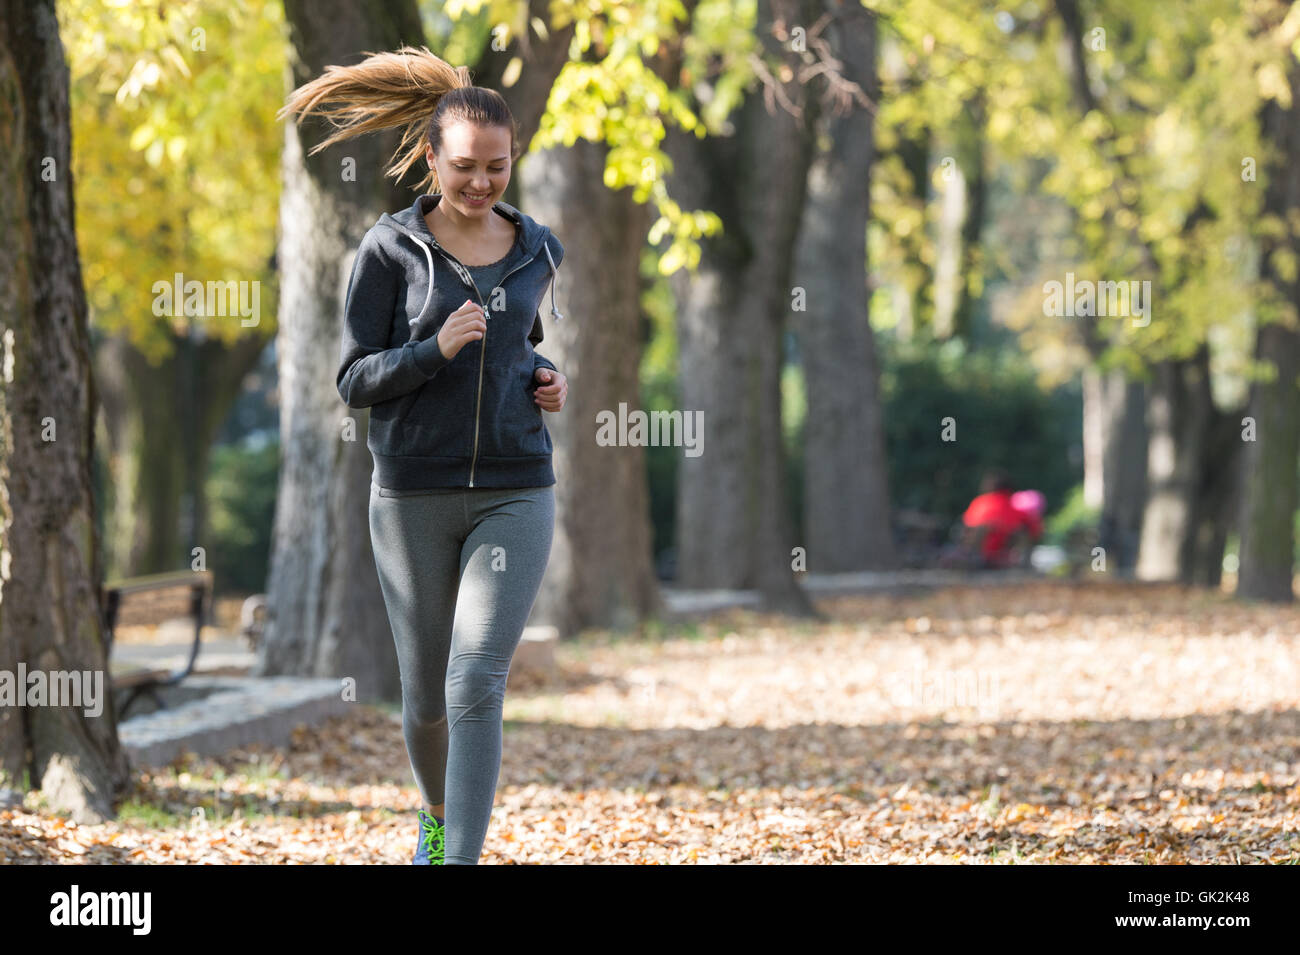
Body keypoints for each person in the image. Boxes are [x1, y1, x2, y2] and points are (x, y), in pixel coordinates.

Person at [279, 46, 570, 865]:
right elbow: (352, 378)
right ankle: (436, 813)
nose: (481, 183)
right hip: (411, 496)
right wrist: (432, 350)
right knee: (425, 699)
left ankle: (459, 860)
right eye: (466, 166)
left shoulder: (538, 250)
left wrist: (544, 379)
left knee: (475, 677)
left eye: (498, 167)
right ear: (433, 157)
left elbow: (519, 353)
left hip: (517, 489)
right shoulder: (389, 249)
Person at [959, 469, 1043, 569]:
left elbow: (966, 526)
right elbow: (1034, 532)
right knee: (1022, 532)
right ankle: (1023, 566)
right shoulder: (1012, 508)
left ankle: (970, 558)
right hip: (1003, 559)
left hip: (974, 555)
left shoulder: (977, 503)